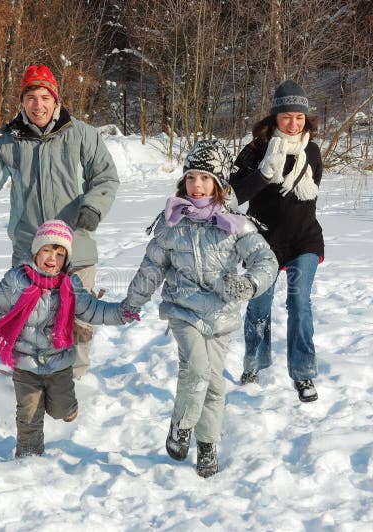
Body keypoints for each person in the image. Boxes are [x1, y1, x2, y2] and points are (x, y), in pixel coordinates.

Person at [0, 64, 119, 378]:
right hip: (31, 249)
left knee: (78, 319)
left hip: (76, 246)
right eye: (31, 97)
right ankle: (28, 378)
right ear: (22, 101)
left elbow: (106, 177)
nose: (38, 104)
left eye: (45, 96)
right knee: (28, 317)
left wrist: (94, 208)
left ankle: (72, 381)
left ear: (56, 100)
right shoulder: (9, 143)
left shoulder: (82, 135)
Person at [124, 139, 278, 477]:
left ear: (220, 184)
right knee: (196, 368)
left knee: (213, 383)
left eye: (205, 178)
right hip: (183, 310)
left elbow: (265, 259)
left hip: (221, 314)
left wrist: (250, 284)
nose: (197, 185)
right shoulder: (172, 223)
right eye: (192, 177)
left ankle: (207, 446)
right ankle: (181, 426)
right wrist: (132, 302)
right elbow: (152, 267)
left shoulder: (236, 225)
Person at [0, 220, 138, 457]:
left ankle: (68, 407)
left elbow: (94, 310)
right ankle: (29, 458)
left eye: (60, 253)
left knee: (60, 409)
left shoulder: (69, 285)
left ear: (66, 260)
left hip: (59, 362)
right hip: (25, 364)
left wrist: (121, 313)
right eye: (47, 250)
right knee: (29, 415)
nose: (53, 258)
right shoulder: (16, 282)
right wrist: (4, 324)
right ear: (36, 251)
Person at [229, 79, 324, 402]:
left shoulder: (311, 150)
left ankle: (304, 373)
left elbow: (310, 196)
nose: (293, 123)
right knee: (259, 305)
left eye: (299, 117)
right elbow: (233, 196)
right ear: (274, 117)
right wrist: (263, 175)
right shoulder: (255, 149)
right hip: (263, 241)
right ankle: (254, 364)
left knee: (300, 304)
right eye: (286, 117)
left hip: (303, 240)